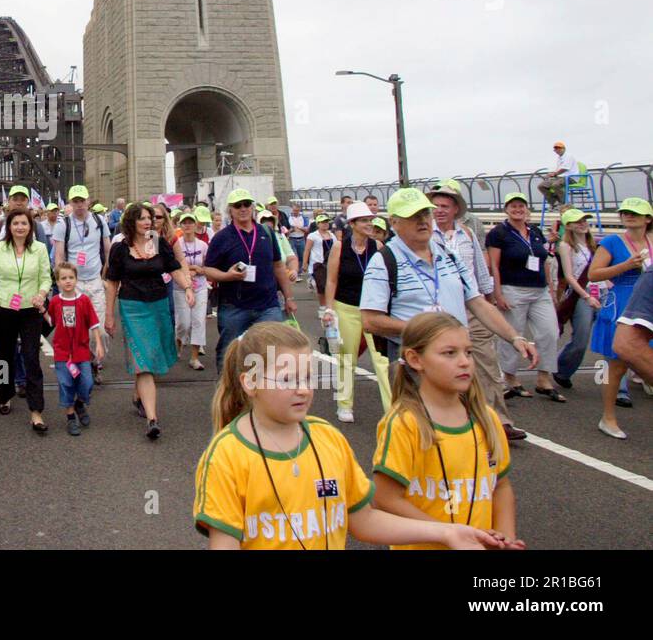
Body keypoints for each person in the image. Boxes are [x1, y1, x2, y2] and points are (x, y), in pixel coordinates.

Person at [193, 322, 501, 550]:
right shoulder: (226, 455)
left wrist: (446, 533)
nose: (303, 389)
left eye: (308, 377)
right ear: (250, 383)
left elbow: (363, 520)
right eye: (288, 379)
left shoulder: (328, 438)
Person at [358, 189, 539, 422]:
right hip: (416, 364)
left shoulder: (448, 255)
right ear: (394, 223)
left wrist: (514, 337)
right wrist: (428, 330)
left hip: (459, 360)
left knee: (466, 429)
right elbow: (371, 320)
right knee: (422, 435)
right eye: (413, 216)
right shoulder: (383, 262)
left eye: (425, 213)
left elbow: (477, 302)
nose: (422, 220)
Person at [372, 312, 522, 549]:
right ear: (415, 359)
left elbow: (501, 486)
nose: (464, 362)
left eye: (468, 352)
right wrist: (446, 533)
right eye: (449, 353)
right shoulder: (405, 423)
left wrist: (506, 538)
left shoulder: (487, 418)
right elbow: (385, 497)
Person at [426, 180, 520, 439]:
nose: (440, 210)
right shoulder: (424, 235)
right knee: (446, 366)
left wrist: (489, 299)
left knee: (487, 363)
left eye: (445, 206)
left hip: (472, 306)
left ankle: (499, 421)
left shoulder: (466, 234)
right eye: (435, 206)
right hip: (441, 310)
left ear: (456, 209)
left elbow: (481, 269)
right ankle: (451, 420)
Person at [105, 202, 194, 439]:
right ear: (131, 222)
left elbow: (174, 268)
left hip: (158, 305)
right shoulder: (120, 248)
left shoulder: (158, 242)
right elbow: (112, 283)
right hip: (133, 307)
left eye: (150, 218)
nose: (148, 222)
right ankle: (152, 419)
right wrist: (109, 315)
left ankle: (138, 396)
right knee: (142, 361)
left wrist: (187, 288)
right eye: (142, 218)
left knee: (151, 355)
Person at [202, 190, 296, 366]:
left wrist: (289, 297)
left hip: (268, 305)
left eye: (246, 204)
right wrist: (227, 276)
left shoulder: (267, 233)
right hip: (234, 307)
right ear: (230, 210)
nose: (243, 208)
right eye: (238, 205)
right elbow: (208, 270)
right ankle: (227, 390)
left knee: (272, 353)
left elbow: (278, 266)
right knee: (229, 355)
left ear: (252, 206)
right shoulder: (221, 238)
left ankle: (264, 391)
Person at [485, 193, 564, 403]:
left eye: (521, 206)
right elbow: (494, 265)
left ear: (527, 209)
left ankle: (544, 378)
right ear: (506, 209)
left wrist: (551, 288)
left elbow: (544, 259)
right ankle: (510, 378)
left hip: (539, 290)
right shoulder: (498, 233)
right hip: (513, 289)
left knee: (549, 332)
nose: (518, 209)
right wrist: (498, 293)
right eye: (513, 206)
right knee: (513, 334)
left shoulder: (535, 231)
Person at [0, 208, 53, 430]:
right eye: (15, 223)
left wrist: (41, 294)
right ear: (8, 227)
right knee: (5, 356)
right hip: (4, 308)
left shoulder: (39, 248)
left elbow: (46, 277)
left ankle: (36, 410)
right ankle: (4, 395)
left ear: (30, 227)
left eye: (24, 223)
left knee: (31, 358)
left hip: (31, 309)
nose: (20, 227)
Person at [587, 197, 653, 439]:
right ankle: (608, 416)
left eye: (635, 213)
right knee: (613, 365)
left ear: (648, 218)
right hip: (622, 302)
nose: (629, 216)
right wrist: (626, 265)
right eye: (625, 212)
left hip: (648, 303)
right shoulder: (612, 241)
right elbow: (594, 274)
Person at [322, 201, 386, 422]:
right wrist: (329, 309)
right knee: (347, 358)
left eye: (371, 220)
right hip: (346, 307)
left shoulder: (378, 247)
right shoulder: (340, 247)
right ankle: (344, 404)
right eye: (365, 220)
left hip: (373, 310)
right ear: (353, 223)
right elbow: (331, 280)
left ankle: (392, 407)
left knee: (382, 360)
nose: (370, 224)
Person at [52, 185, 111, 381]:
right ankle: (84, 365)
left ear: (88, 201)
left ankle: (95, 362)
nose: (79, 205)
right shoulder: (63, 224)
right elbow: (59, 255)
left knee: (99, 330)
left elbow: (108, 249)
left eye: (82, 201)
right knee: (75, 329)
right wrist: (62, 282)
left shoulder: (99, 220)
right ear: (70, 203)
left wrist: (105, 276)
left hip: (94, 281)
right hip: (73, 284)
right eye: (75, 201)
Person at [48, 262, 103, 436]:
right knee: (66, 384)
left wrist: (99, 343)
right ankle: (71, 418)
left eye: (71, 277)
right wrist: (42, 309)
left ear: (76, 279)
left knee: (86, 383)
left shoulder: (84, 300)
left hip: (81, 352)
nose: (68, 281)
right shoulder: (56, 301)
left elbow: (94, 323)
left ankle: (80, 403)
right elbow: (52, 321)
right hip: (62, 353)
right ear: (57, 282)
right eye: (63, 278)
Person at [554, 209, 602, 389]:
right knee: (581, 337)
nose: (582, 224)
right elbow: (569, 276)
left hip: (601, 292)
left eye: (584, 220)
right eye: (577, 221)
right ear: (568, 226)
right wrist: (586, 295)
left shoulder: (594, 245)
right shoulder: (566, 246)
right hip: (581, 294)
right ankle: (561, 368)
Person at [174, 209, 210, 370]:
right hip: (181, 286)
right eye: (184, 223)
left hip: (200, 286)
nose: (187, 225)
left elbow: (208, 266)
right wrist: (190, 269)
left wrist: (197, 269)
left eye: (190, 222)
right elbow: (174, 265)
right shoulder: (177, 244)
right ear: (180, 225)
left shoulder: (203, 245)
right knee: (184, 323)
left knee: (198, 322)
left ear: (196, 225)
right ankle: (179, 342)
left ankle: (194, 358)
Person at [538, 141, 580, 208]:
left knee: (556, 185)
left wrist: (555, 174)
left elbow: (565, 169)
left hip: (570, 178)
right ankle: (554, 202)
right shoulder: (559, 158)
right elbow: (558, 171)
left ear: (564, 148)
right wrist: (551, 174)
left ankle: (564, 203)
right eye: (556, 149)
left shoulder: (569, 156)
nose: (557, 150)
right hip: (560, 178)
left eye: (559, 148)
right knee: (541, 186)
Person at [305, 214, 334, 308]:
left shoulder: (332, 235)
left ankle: (329, 305)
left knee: (329, 285)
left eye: (326, 222)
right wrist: (305, 263)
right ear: (318, 224)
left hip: (330, 263)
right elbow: (307, 250)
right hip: (318, 264)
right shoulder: (312, 236)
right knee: (321, 287)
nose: (325, 224)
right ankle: (322, 306)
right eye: (323, 222)